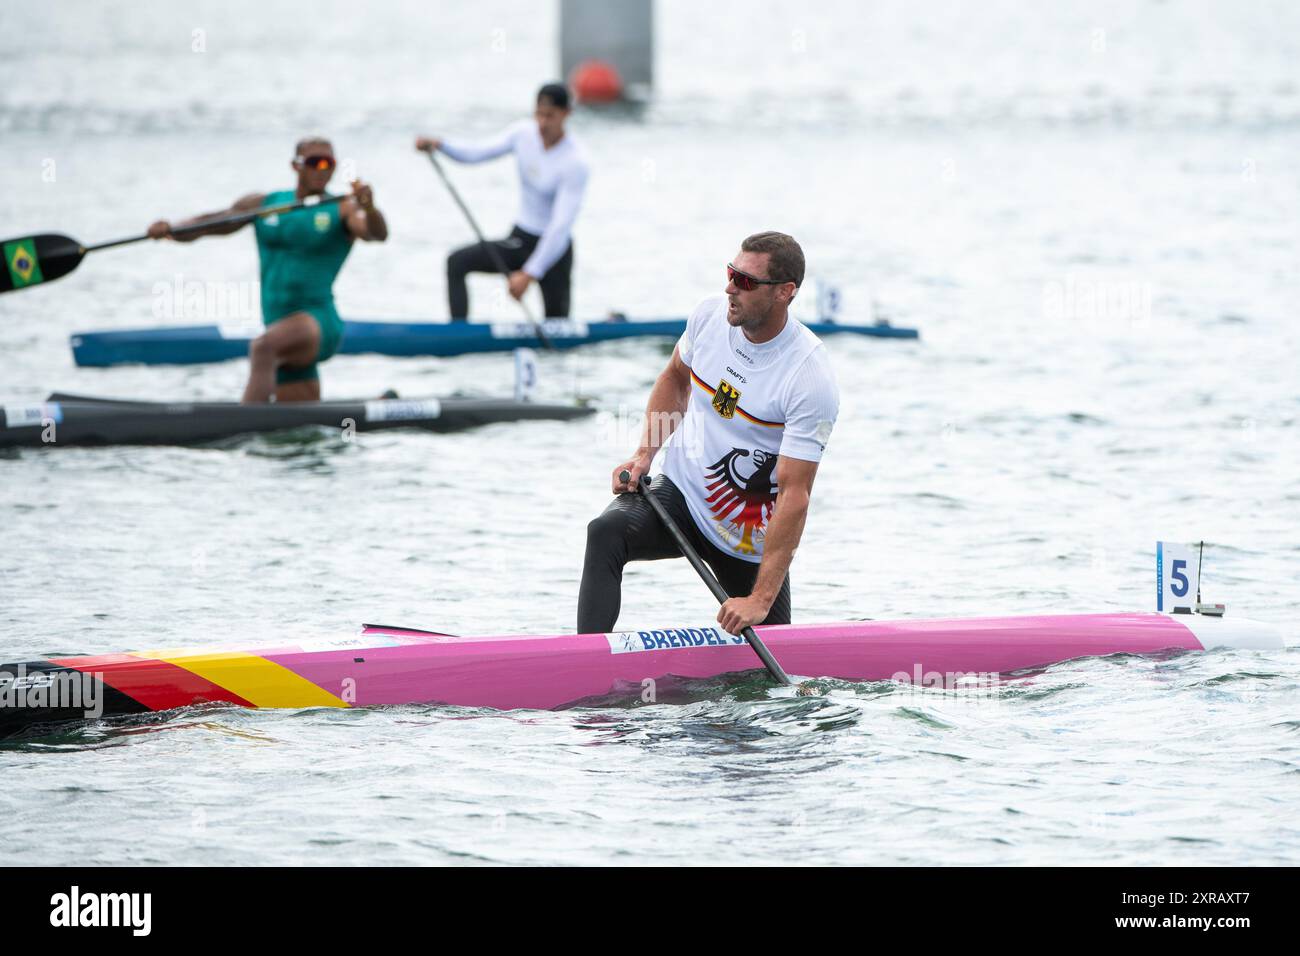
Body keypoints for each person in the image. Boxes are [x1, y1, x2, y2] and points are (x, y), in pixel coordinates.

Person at [578, 232, 840, 636]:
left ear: (785, 292)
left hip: (747, 537)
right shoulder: (708, 317)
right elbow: (675, 379)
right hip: (680, 497)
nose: (730, 287)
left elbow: (795, 495)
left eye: (747, 281)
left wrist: (759, 600)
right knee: (605, 533)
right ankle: (588, 663)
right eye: (731, 273)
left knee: (771, 674)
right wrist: (644, 454)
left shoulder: (808, 376)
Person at [146, 136, 387, 402]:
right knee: (297, 427)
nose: (322, 170)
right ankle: (373, 411)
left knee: (263, 347)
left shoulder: (343, 207)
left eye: (328, 164)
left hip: (318, 322)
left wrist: (371, 208)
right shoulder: (264, 203)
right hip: (278, 323)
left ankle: (241, 431)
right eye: (314, 163)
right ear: (295, 166)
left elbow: (376, 233)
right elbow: (212, 223)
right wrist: (171, 230)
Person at [415, 83, 589, 320]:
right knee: (456, 262)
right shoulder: (522, 134)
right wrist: (441, 145)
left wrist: (528, 275)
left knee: (558, 332)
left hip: (554, 252)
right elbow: (476, 152)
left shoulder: (575, 162)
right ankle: (460, 337)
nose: (543, 123)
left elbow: (560, 226)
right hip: (520, 240)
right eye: (539, 114)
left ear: (567, 114)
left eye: (551, 116)